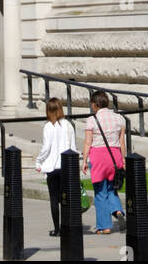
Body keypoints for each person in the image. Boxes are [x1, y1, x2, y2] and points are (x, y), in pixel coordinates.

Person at [82, 90, 125, 234]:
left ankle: (104, 226)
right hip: (115, 155)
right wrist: (123, 160)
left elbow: (88, 142)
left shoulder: (92, 120)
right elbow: (122, 142)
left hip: (98, 156)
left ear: (95, 104)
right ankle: (118, 211)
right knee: (112, 189)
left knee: (100, 192)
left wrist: (84, 160)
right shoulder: (119, 118)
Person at [35, 98, 78, 237]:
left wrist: (39, 161)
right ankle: (68, 225)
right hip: (66, 165)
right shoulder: (68, 125)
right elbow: (73, 147)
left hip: (52, 167)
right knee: (66, 198)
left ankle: (57, 229)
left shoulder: (48, 126)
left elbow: (46, 147)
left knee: (54, 199)